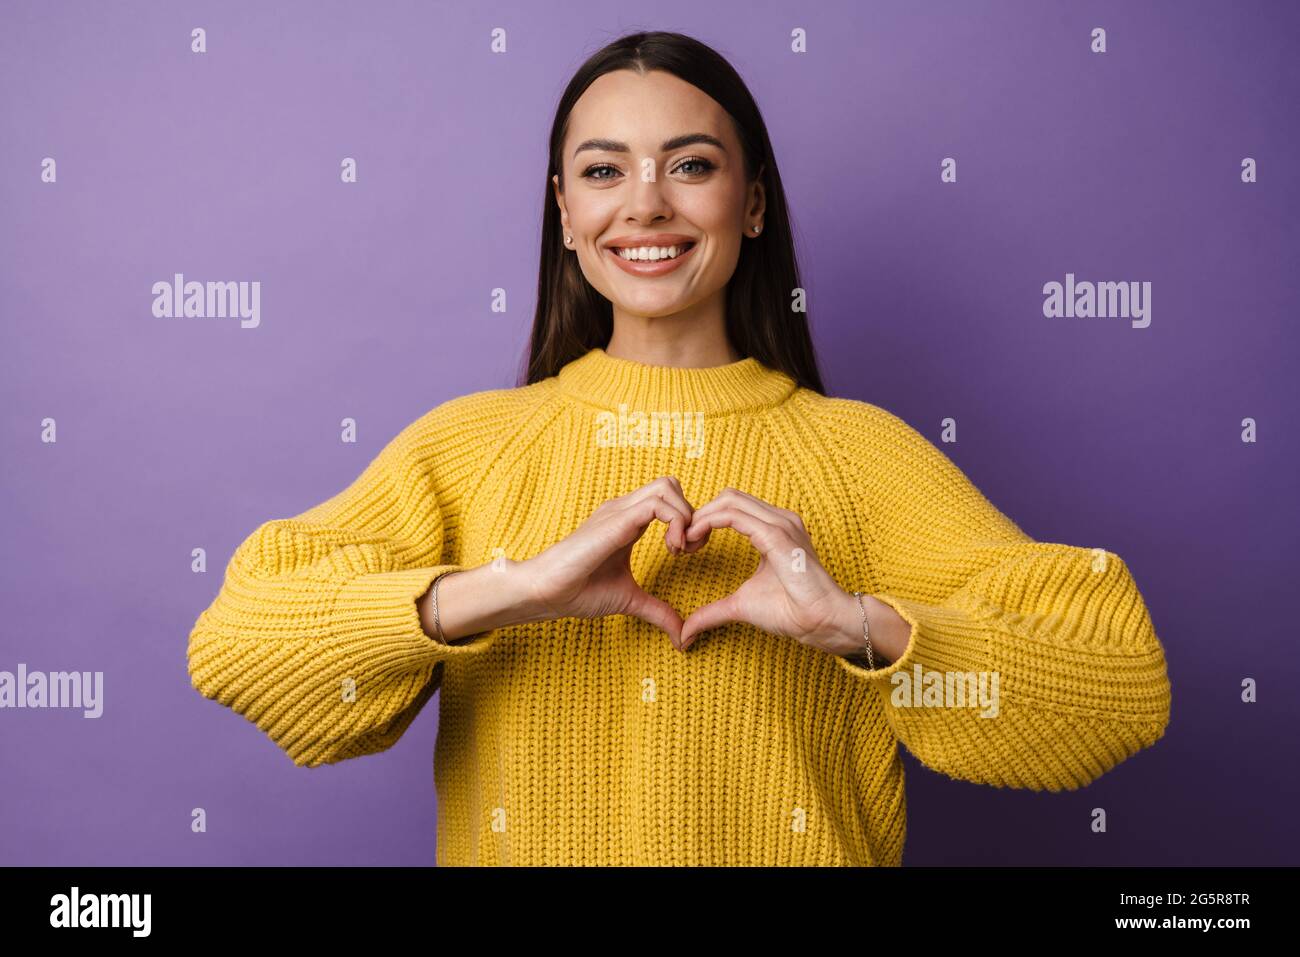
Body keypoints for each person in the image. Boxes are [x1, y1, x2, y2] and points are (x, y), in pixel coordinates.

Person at [186, 31, 1172, 866]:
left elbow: (1116, 688)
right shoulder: (466, 447)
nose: (646, 203)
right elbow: (239, 642)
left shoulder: (861, 456)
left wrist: (867, 628)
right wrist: (508, 590)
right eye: (603, 170)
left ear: (751, 205)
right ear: (565, 213)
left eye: (691, 164)